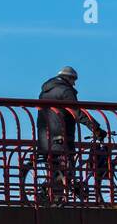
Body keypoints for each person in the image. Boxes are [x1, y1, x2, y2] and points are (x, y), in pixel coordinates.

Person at [36, 66, 106, 204]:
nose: (74, 83)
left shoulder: (44, 92)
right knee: (65, 169)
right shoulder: (66, 91)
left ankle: (53, 197)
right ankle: (58, 198)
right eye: (73, 80)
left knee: (55, 169)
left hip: (44, 136)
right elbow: (78, 113)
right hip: (62, 136)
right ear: (68, 78)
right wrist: (96, 128)